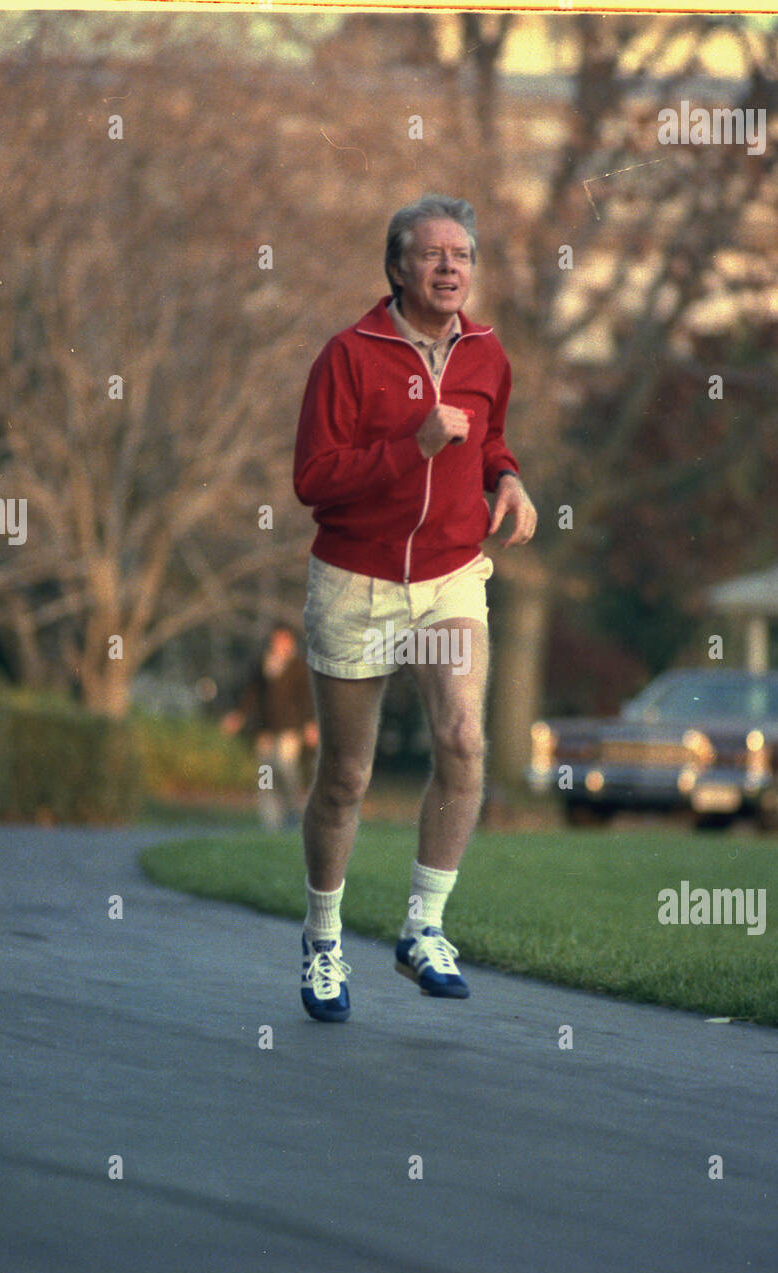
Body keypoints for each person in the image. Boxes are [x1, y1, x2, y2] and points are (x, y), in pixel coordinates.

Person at [292, 193, 537, 1022]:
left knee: (462, 739)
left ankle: (422, 927)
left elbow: (490, 435)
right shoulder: (349, 355)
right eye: (432, 255)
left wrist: (507, 478)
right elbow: (314, 480)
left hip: (447, 576)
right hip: (355, 581)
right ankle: (323, 941)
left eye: (462, 255)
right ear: (397, 268)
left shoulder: (487, 352)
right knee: (345, 777)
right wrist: (413, 447)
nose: (449, 268)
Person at [221, 623, 318, 830]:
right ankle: (270, 822)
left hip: (289, 728)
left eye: (284, 640)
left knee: (284, 766)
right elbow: (252, 694)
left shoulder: (299, 666)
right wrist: (238, 715)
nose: (279, 644)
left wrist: (310, 724)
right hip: (264, 729)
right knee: (266, 774)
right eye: (276, 640)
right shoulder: (262, 664)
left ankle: (292, 809)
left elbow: (307, 698)